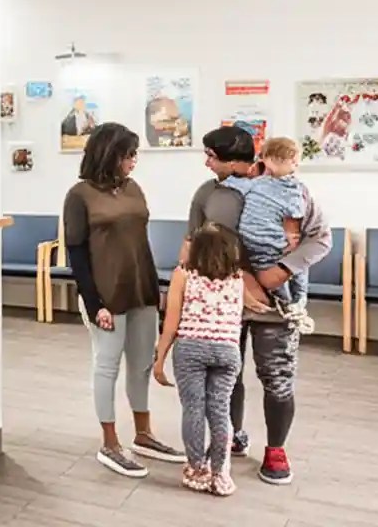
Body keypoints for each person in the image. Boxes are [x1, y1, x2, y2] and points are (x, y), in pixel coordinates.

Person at [185, 126, 330, 485]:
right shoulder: (207, 194)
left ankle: (276, 449)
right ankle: (230, 435)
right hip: (224, 306)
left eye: (211, 156)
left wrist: (282, 271)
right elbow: (194, 248)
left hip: (275, 307)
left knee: (277, 379)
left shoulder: (296, 192)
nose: (205, 163)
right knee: (224, 376)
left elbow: (320, 240)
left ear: (237, 160)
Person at [64, 122, 185, 478]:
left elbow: (138, 241)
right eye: (128, 154)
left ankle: (144, 435)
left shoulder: (133, 188)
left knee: (141, 364)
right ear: (109, 154)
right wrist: (93, 303)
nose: (134, 161)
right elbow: (77, 253)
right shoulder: (79, 195)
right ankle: (110, 442)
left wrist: (156, 286)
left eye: (135, 154)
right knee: (107, 366)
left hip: (141, 288)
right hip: (105, 295)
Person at [154, 224, 245, 497]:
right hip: (228, 351)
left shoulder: (183, 275)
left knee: (193, 408)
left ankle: (196, 469)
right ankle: (221, 473)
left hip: (191, 348)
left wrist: (160, 358)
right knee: (220, 410)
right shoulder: (238, 278)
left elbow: (171, 322)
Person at [220, 137, 314, 334]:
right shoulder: (294, 189)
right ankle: (294, 304)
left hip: (257, 242)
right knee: (293, 268)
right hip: (269, 244)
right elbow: (296, 214)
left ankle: (291, 304)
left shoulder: (257, 184)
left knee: (289, 268)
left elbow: (231, 182)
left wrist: (245, 170)